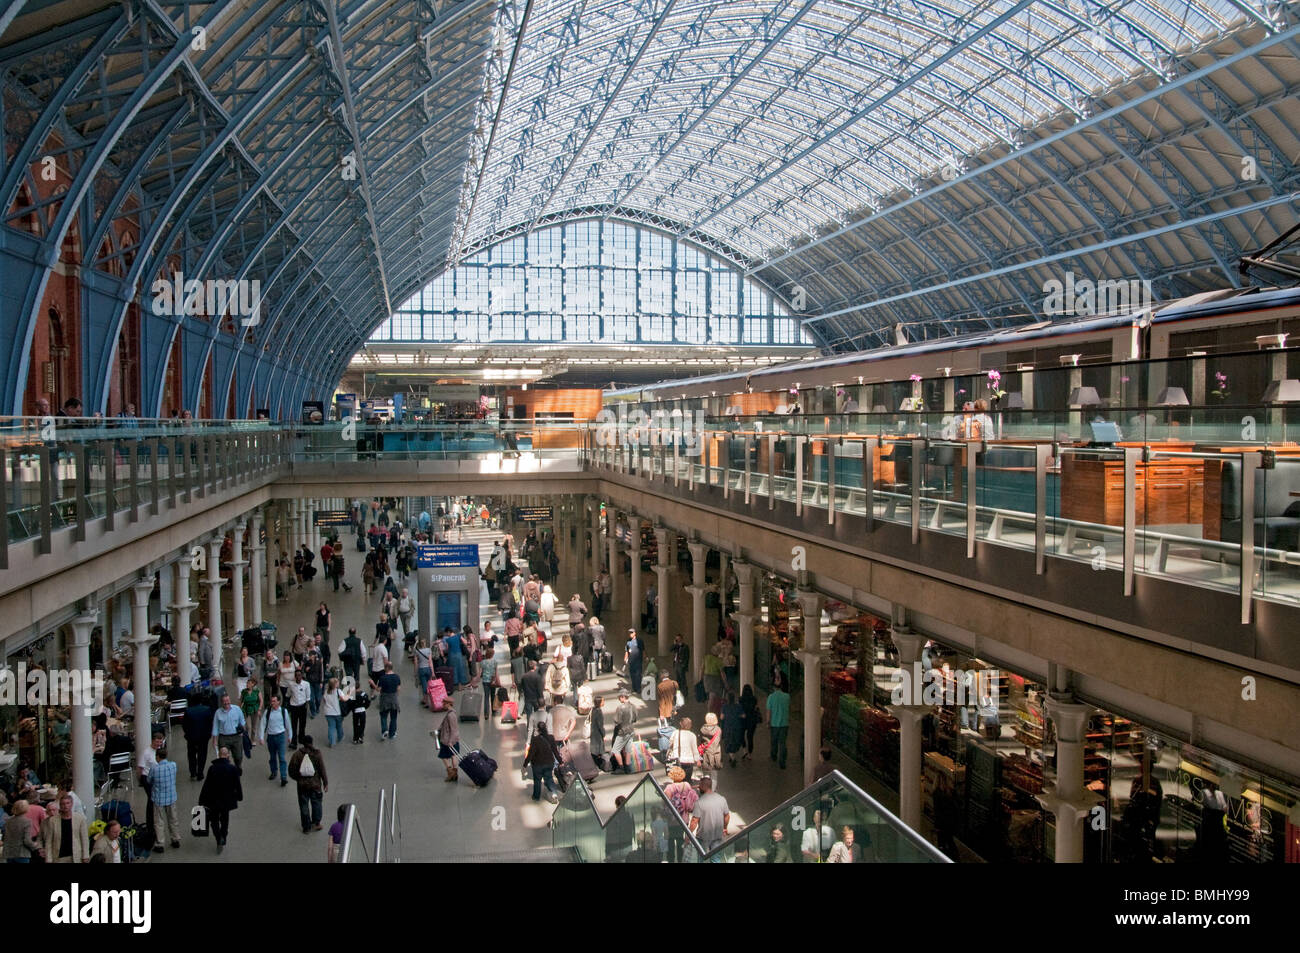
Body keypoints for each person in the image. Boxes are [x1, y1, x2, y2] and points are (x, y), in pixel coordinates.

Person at [198, 746, 243, 854]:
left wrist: (201, 800)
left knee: (214, 821)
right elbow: (237, 784)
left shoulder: (212, 768)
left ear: (219, 755)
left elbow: (207, 785)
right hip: (227, 800)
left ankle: (218, 838)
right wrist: (240, 796)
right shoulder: (232, 768)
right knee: (225, 819)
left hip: (213, 800)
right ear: (228, 755)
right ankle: (224, 835)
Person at [288, 735, 328, 834]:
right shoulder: (317, 754)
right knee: (317, 803)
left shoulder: (297, 755)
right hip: (315, 784)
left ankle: (306, 827)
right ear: (312, 742)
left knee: (303, 805)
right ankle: (316, 823)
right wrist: (325, 783)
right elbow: (322, 769)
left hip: (302, 786)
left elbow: (291, 770)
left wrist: (298, 778)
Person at [41, 793, 89, 863]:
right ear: (60, 806)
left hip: (75, 855)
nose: (65, 806)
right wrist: (48, 858)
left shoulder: (80, 819)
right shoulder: (53, 820)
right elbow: (49, 841)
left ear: (72, 804)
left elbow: (84, 838)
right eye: (63, 804)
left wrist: (85, 855)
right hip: (58, 856)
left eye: (67, 803)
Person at [149, 749, 181, 852]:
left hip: (159, 799)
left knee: (159, 821)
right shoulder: (173, 765)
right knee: (173, 819)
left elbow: (149, 780)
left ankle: (160, 843)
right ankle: (175, 839)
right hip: (171, 797)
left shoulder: (154, 769)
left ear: (157, 757)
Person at [689, 777, 730, 851]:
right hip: (718, 835)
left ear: (704, 786)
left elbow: (694, 821)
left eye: (700, 786)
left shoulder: (699, 802)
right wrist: (725, 828)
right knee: (715, 860)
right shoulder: (722, 799)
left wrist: (688, 835)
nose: (699, 788)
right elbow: (727, 816)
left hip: (703, 836)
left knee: (701, 858)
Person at [523, 722, 560, 802]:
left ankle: (536, 797)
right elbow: (555, 751)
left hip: (537, 765)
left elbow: (530, 754)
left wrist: (525, 765)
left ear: (538, 730)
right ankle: (554, 793)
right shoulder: (551, 738)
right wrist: (560, 761)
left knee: (537, 780)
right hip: (549, 763)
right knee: (549, 779)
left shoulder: (535, 740)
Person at [261, 694, 294, 785]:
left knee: (282, 757)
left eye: (274, 701)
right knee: (272, 757)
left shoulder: (284, 711)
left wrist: (290, 736)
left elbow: (288, 724)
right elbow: (262, 724)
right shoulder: (267, 712)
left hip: (281, 736)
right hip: (271, 737)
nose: (272, 703)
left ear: (279, 702)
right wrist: (261, 737)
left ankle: (283, 777)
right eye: (271, 701)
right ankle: (274, 771)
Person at [182, 693, 215, 781]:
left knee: (191, 754)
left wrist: (187, 733)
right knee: (202, 754)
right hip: (203, 737)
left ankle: (193, 772)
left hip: (191, 737)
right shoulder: (207, 710)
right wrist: (209, 734)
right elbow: (210, 723)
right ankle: (200, 772)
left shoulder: (188, 711)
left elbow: (184, 725)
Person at [213, 692, 247, 766]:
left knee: (238, 757)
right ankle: (227, 771)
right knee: (223, 759)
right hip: (223, 738)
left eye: (227, 700)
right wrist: (214, 740)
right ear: (221, 702)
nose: (226, 703)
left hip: (236, 737)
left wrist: (243, 733)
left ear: (230, 700)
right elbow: (215, 727)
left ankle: (237, 770)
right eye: (224, 701)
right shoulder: (218, 713)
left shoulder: (237, 709)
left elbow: (242, 722)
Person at [372, 661, 402, 740]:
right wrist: (395, 696)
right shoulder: (397, 677)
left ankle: (385, 731)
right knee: (393, 717)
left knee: (383, 716)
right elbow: (398, 689)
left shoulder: (382, 678)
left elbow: (378, 689)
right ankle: (392, 733)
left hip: (384, 699)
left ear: (386, 668)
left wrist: (372, 683)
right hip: (394, 699)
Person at [610, 690, 636, 774]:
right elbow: (635, 718)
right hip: (631, 730)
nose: (619, 699)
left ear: (623, 697)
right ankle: (628, 767)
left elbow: (617, 720)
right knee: (628, 749)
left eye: (619, 697)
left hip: (622, 732)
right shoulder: (633, 706)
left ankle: (621, 767)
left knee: (615, 750)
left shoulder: (620, 708)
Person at [766, 681, 790, 769]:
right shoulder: (787, 696)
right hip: (784, 723)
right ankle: (782, 761)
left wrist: (768, 722)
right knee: (782, 743)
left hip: (774, 724)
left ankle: (774, 756)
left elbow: (768, 711)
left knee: (774, 741)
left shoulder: (771, 697)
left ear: (773, 687)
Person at [435, 699, 460, 782]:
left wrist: (450, 741)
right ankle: (454, 773)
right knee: (454, 755)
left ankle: (451, 773)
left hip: (447, 740)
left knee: (443, 756)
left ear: (448, 704)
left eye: (444, 703)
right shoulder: (451, 713)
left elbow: (453, 729)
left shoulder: (450, 715)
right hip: (452, 739)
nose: (443, 705)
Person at [668, 717, 699, 781]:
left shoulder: (676, 733)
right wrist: (697, 760)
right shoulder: (692, 735)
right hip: (688, 761)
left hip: (677, 759)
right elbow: (694, 749)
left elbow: (670, 744)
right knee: (687, 781)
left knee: (677, 780)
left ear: (681, 724)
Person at [721, 692, 746, 768]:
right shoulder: (738, 706)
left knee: (728, 742)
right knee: (735, 741)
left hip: (727, 727)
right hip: (737, 727)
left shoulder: (724, 706)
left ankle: (732, 757)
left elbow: (721, 717)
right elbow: (744, 716)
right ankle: (732, 757)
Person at [740, 684, 761, 760]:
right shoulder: (754, 699)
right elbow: (756, 708)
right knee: (750, 737)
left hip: (743, 720)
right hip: (752, 720)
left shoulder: (741, 699)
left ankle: (744, 749)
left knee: (741, 735)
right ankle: (750, 754)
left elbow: (739, 710)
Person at [322, 677, 344, 747]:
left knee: (331, 727)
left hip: (328, 712)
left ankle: (332, 742)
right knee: (339, 726)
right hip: (337, 712)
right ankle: (340, 737)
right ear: (335, 685)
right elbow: (343, 699)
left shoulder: (326, 691)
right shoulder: (338, 691)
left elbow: (324, 700)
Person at [624, 627, 644, 694]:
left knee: (638, 675)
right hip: (631, 661)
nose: (630, 634)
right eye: (629, 633)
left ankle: (638, 688)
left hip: (638, 661)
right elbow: (626, 651)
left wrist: (646, 657)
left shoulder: (639, 641)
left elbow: (643, 650)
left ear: (635, 633)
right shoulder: (628, 641)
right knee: (632, 675)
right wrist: (625, 658)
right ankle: (634, 688)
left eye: (632, 632)